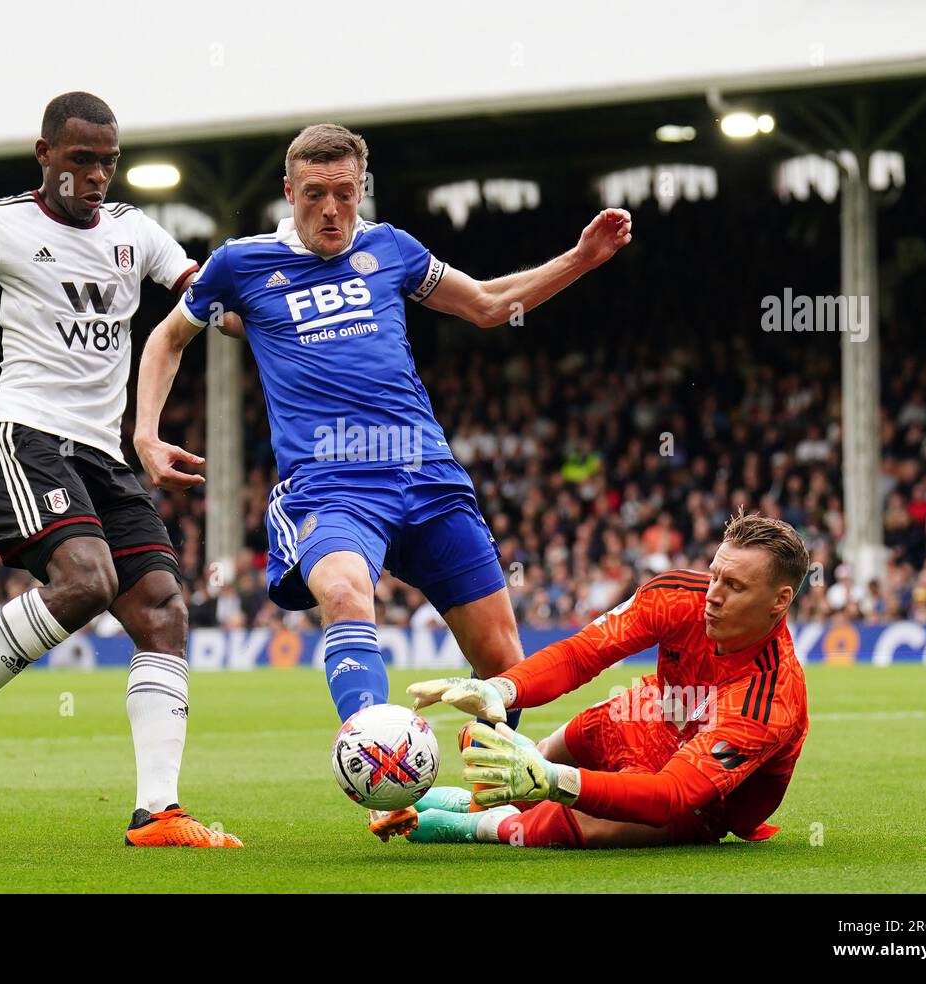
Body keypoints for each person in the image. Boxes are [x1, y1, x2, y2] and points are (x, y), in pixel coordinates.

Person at [133, 124, 630, 825]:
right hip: (331, 485)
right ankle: (382, 777)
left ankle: (499, 795)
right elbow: (167, 337)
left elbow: (487, 305)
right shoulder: (240, 265)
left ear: (360, 188)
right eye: (315, 196)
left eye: (345, 193)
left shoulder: (390, 247)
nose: (332, 210)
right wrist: (146, 435)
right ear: (289, 192)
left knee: (502, 658)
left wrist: (581, 258)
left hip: (426, 476)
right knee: (343, 591)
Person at [0, 91, 241, 848]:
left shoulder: (137, 234)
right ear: (45, 155)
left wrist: (286, 303)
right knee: (86, 579)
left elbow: (214, 304)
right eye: (81, 161)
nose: (96, 177)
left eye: (108, 162)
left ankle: (157, 813)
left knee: (164, 611)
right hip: (22, 432)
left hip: (102, 454)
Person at [399, 512, 810, 849]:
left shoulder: (771, 699)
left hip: (706, 798)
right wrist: (501, 688)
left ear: (780, 600)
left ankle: (486, 826)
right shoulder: (679, 595)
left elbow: (673, 793)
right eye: (715, 575)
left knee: (569, 823)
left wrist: (554, 781)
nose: (713, 595)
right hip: (656, 716)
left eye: (734, 586)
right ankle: (489, 800)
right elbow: (582, 653)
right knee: (554, 750)